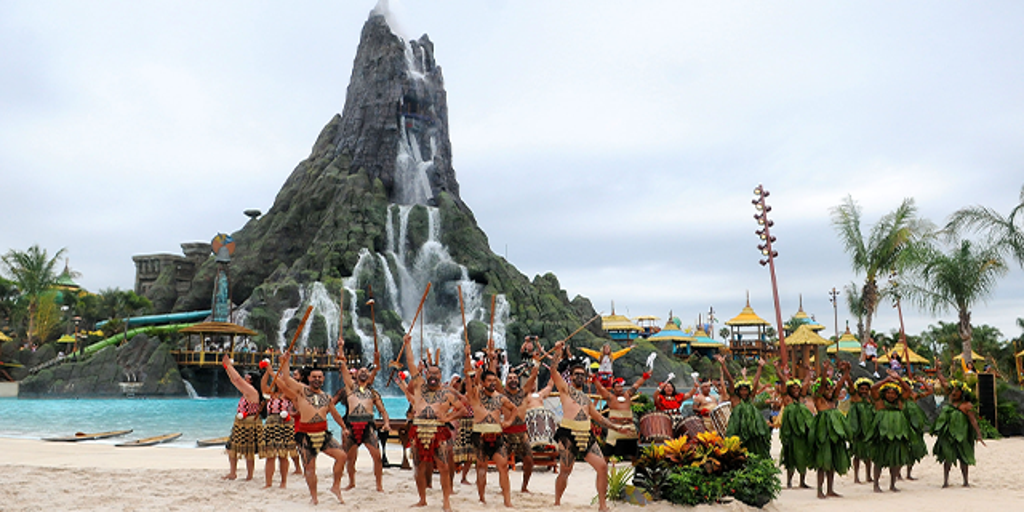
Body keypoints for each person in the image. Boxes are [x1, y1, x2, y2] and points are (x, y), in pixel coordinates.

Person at [550, 340, 632, 512]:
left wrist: (617, 428)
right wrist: (558, 352)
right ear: (571, 377)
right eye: (576, 374)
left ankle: (602, 505)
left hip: (586, 434)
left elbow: (599, 419)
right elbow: (553, 371)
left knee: (602, 466)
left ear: (586, 378)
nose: (579, 376)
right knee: (565, 470)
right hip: (567, 434)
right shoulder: (565, 390)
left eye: (582, 374)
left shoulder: (587, 399)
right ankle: (557, 502)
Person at [400, 334, 464, 512]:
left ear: (441, 375)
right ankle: (422, 499)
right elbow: (412, 365)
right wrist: (408, 345)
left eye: (436, 374)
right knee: (418, 467)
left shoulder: (447, 394)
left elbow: (462, 410)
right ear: (426, 374)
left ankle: (446, 501)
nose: (433, 376)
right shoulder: (419, 385)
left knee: (443, 466)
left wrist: (448, 418)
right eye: (430, 373)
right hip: (418, 430)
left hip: (438, 431)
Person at [277, 353, 349, 505]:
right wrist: (286, 362)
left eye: (320, 377)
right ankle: (314, 497)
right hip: (306, 435)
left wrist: (343, 427)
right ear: (308, 378)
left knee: (342, 456)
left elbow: (335, 414)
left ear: (323, 379)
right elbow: (287, 379)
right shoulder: (302, 390)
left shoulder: (327, 397)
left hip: (323, 434)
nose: (317, 379)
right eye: (314, 377)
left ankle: (336, 486)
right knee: (310, 469)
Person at [463, 344, 517, 508]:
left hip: (497, 435)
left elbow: (514, 409)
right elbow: (468, 378)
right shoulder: (475, 396)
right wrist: (467, 357)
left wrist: (508, 422)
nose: (493, 383)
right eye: (490, 381)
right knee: (481, 467)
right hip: (479, 436)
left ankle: (507, 501)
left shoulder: (500, 398)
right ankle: (481, 498)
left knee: (503, 467)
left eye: (495, 380)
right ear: (483, 382)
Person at [336, 339, 390, 492]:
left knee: (377, 457)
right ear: (357, 375)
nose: (364, 373)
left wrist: (386, 423)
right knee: (350, 459)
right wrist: (341, 348)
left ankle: (379, 485)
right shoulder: (350, 388)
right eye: (361, 371)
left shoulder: (373, 393)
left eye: (366, 371)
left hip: (368, 425)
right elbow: (343, 367)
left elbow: (383, 410)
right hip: (352, 425)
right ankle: (351, 482)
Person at [932, 361, 986, 487]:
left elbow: (973, 420)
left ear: (962, 393)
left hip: (963, 435)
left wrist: (978, 435)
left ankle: (965, 481)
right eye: (952, 391)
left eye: (956, 391)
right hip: (948, 434)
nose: (953, 393)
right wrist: (938, 371)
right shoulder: (951, 401)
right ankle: (945, 481)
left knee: (964, 458)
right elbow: (944, 382)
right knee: (947, 458)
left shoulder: (967, 406)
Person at [503, 353, 545, 493]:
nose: (513, 380)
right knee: (502, 463)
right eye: (510, 378)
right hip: (507, 433)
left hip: (522, 432)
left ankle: (524, 487)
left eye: (515, 378)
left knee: (529, 461)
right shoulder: (502, 394)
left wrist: (536, 363)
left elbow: (533, 376)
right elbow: (495, 381)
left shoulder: (523, 392)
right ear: (506, 381)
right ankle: (505, 487)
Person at [809, 361, 852, 499]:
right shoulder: (819, 399)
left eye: (830, 388)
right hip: (823, 432)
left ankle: (830, 490)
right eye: (826, 388)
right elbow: (821, 387)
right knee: (823, 462)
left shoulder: (833, 400)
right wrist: (824, 371)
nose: (829, 390)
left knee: (832, 461)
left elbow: (840, 385)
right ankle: (819, 490)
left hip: (835, 432)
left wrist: (846, 372)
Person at [716, 355, 771, 459]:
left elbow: (755, 382)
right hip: (737, 428)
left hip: (753, 429)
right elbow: (730, 381)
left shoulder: (751, 398)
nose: (744, 392)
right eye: (741, 390)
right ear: (738, 391)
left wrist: (760, 367)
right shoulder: (735, 399)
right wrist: (723, 365)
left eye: (746, 390)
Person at [866, 371, 913, 493]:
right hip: (882, 436)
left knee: (896, 461)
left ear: (897, 395)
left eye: (893, 393)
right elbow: (873, 388)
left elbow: (908, 391)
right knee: (879, 460)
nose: (891, 395)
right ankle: (876, 484)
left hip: (898, 435)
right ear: (884, 393)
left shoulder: (900, 403)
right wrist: (886, 380)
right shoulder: (879, 402)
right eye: (888, 392)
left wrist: (899, 379)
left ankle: (892, 484)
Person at [593, 371, 650, 463]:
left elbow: (636, 385)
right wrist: (595, 379)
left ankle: (635, 468)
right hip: (615, 427)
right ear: (613, 388)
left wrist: (644, 377)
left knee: (633, 451)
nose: (620, 389)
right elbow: (600, 388)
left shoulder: (627, 395)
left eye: (621, 387)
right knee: (608, 452)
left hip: (628, 426)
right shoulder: (610, 397)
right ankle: (603, 468)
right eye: (617, 387)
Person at [221, 355, 262, 481]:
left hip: (249, 422)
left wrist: (229, 366)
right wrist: (227, 367)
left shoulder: (252, 392)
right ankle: (232, 473)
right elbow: (235, 381)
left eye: (247, 378)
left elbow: (237, 380)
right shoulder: (247, 391)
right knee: (231, 448)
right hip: (240, 422)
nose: (245, 379)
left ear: (251, 381)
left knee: (248, 451)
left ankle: (249, 476)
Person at [259, 367, 298, 488]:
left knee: (283, 455)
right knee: (270, 455)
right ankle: (268, 482)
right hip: (271, 423)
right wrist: (267, 371)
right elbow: (263, 385)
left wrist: (273, 373)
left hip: (284, 423)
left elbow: (286, 389)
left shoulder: (288, 394)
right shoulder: (270, 393)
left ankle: (283, 482)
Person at [776, 367, 812, 489]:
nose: (796, 390)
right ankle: (789, 481)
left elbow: (806, 383)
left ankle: (802, 481)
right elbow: (783, 383)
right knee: (790, 457)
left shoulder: (801, 399)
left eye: (797, 388)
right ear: (789, 390)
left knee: (803, 456)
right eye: (793, 388)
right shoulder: (787, 399)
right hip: (791, 433)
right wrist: (778, 369)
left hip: (802, 433)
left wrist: (808, 372)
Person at [845, 376, 876, 484]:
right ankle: (856, 477)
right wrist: (848, 376)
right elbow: (851, 387)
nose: (864, 391)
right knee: (857, 454)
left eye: (866, 389)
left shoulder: (870, 400)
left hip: (868, 430)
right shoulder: (855, 397)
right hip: (857, 430)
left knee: (868, 455)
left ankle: (868, 475)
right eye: (861, 389)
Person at [902, 376, 932, 480]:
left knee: (913, 449)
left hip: (914, 425)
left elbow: (930, 391)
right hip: (902, 425)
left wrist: (923, 381)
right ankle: (897, 474)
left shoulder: (914, 396)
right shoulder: (897, 397)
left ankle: (908, 473)